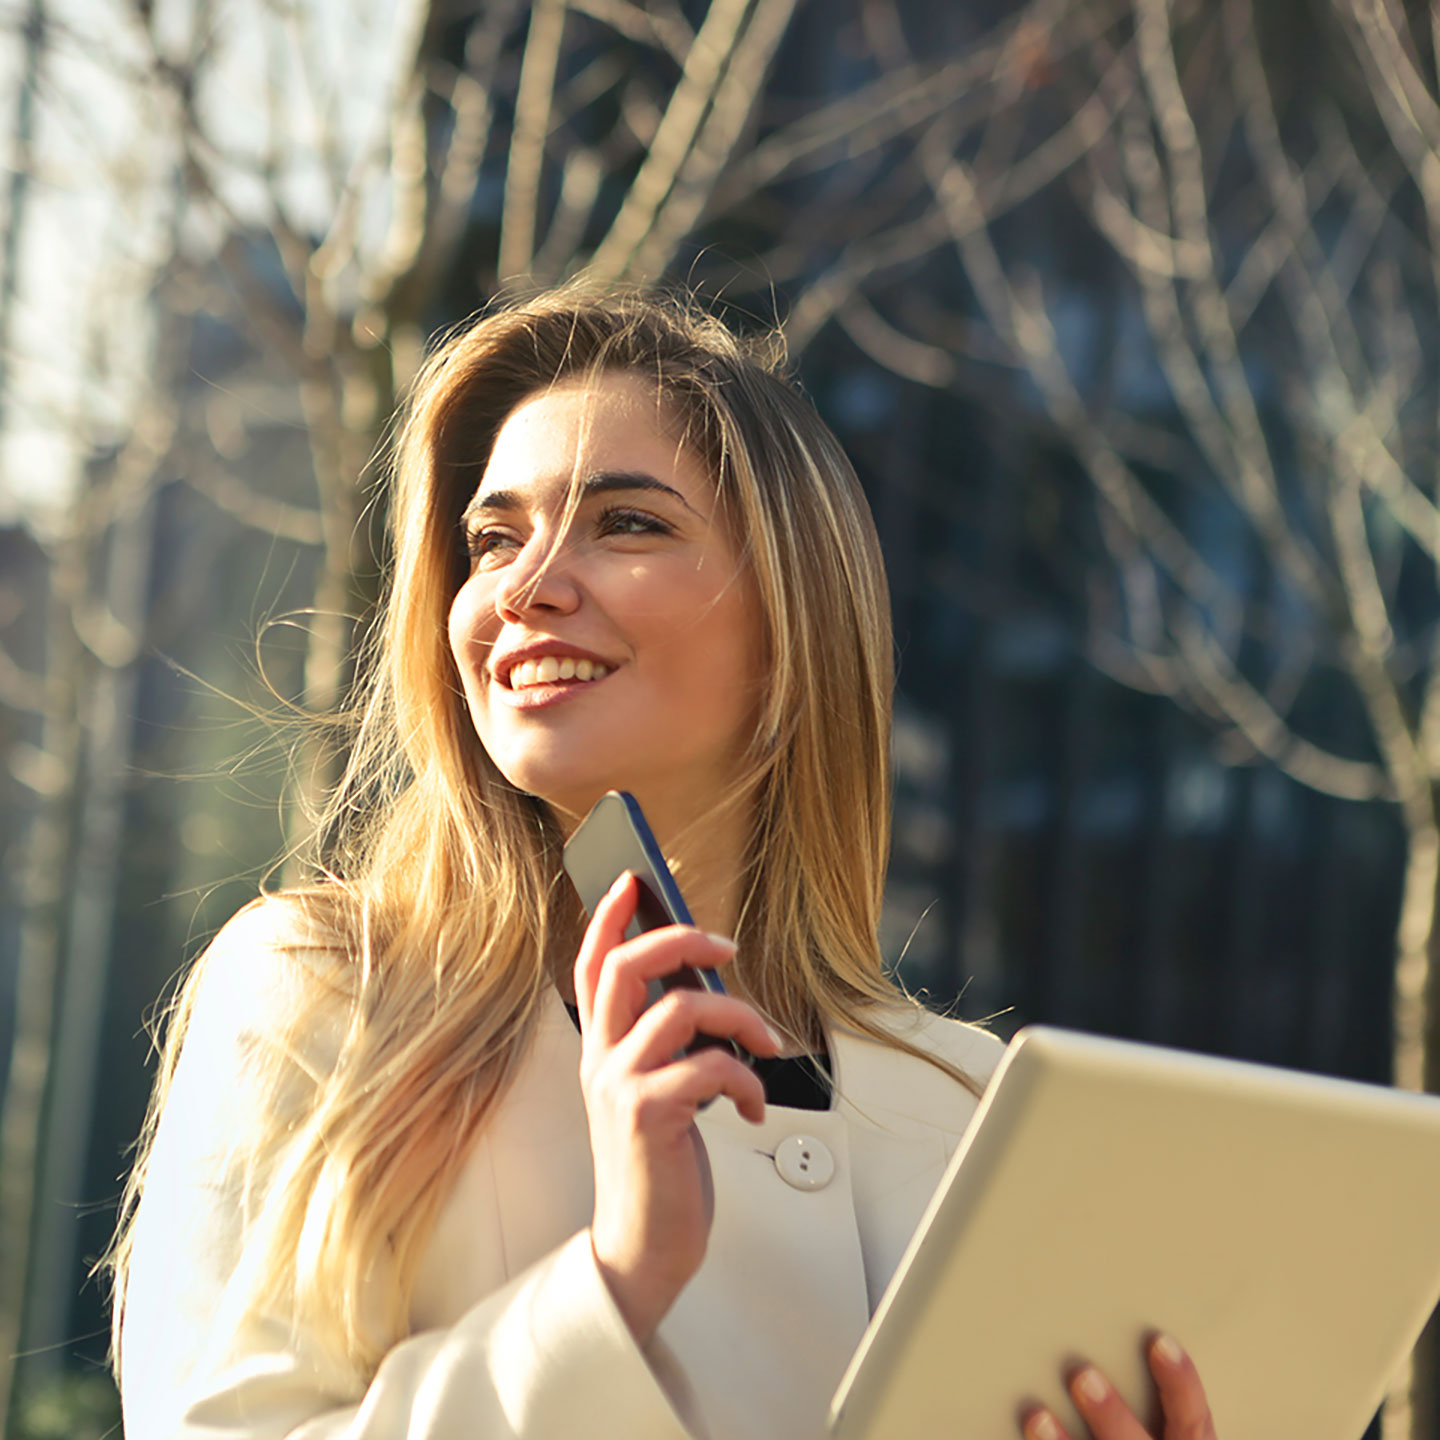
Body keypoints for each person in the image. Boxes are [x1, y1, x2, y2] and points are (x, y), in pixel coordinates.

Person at [107, 285, 1218, 1440]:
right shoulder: (326, 989)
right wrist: (614, 1282)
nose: (525, 585)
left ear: (796, 617)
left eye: (625, 523)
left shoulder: (968, 1101)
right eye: (492, 538)